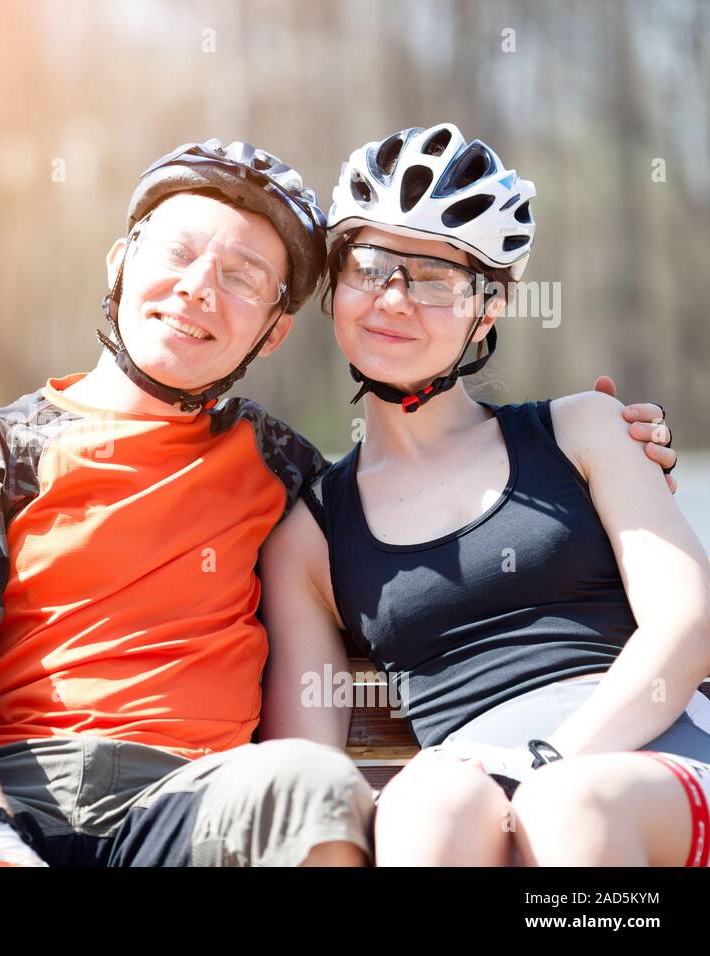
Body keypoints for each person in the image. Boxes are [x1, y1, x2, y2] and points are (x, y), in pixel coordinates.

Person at [0, 138, 673, 867]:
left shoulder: (284, 472)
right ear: (119, 263)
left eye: (241, 279)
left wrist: (612, 452)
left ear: (268, 334)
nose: (197, 291)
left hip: (185, 805)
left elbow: (435, 489)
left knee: (307, 786)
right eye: (180, 253)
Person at [258, 123, 707, 866]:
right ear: (336, 287)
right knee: (426, 808)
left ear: (487, 308)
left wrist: (546, 761)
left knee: (571, 808)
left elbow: (688, 626)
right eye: (371, 267)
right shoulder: (310, 537)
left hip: (648, 758)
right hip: (471, 783)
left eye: (435, 279)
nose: (394, 299)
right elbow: (311, 768)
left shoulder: (582, 431)